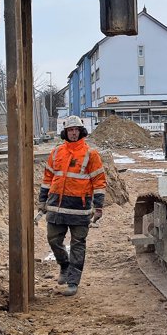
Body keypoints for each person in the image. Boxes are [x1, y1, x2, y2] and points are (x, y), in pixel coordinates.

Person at [37, 115, 106, 296]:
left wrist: (98, 206)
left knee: (78, 244)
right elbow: (47, 179)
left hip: (79, 208)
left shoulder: (91, 154)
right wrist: (42, 200)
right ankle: (64, 265)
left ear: (81, 131)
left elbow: (99, 182)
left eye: (76, 130)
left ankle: (73, 282)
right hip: (56, 206)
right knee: (53, 239)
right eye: (70, 130)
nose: (73, 133)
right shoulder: (56, 152)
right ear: (65, 132)